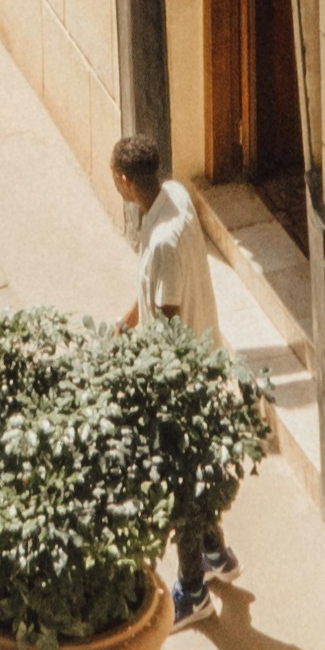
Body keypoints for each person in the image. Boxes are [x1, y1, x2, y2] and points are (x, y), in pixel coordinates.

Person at [116, 134, 235, 617]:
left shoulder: (162, 242)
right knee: (200, 466)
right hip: (206, 355)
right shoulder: (176, 197)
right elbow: (151, 297)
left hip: (178, 380)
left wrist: (137, 369)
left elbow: (164, 321)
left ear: (125, 182)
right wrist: (124, 323)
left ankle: (193, 591)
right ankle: (215, 554)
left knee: (180, 482)